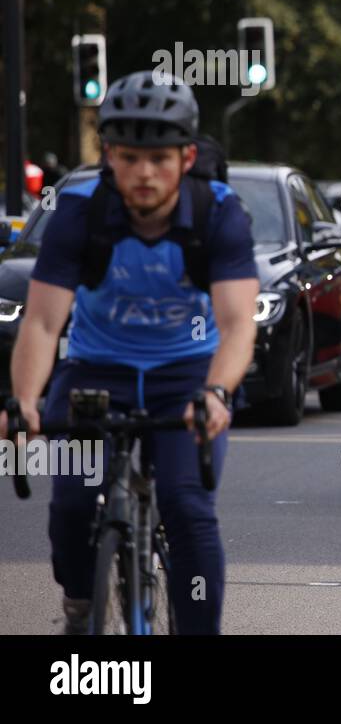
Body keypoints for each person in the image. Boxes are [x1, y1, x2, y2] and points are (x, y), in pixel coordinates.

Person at [0, 71, 259, 634]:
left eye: (160, 158)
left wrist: (217, 391)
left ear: (187, 157)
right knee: (70, 503)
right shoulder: (78, 212)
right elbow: (44, 322)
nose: (145, 173)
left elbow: (238, 322)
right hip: (97, 370)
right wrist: (23, 401)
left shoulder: (218, 212)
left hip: (187, 373)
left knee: (187, 509)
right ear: (109, 156)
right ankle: (80, 603)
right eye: (130, 157)